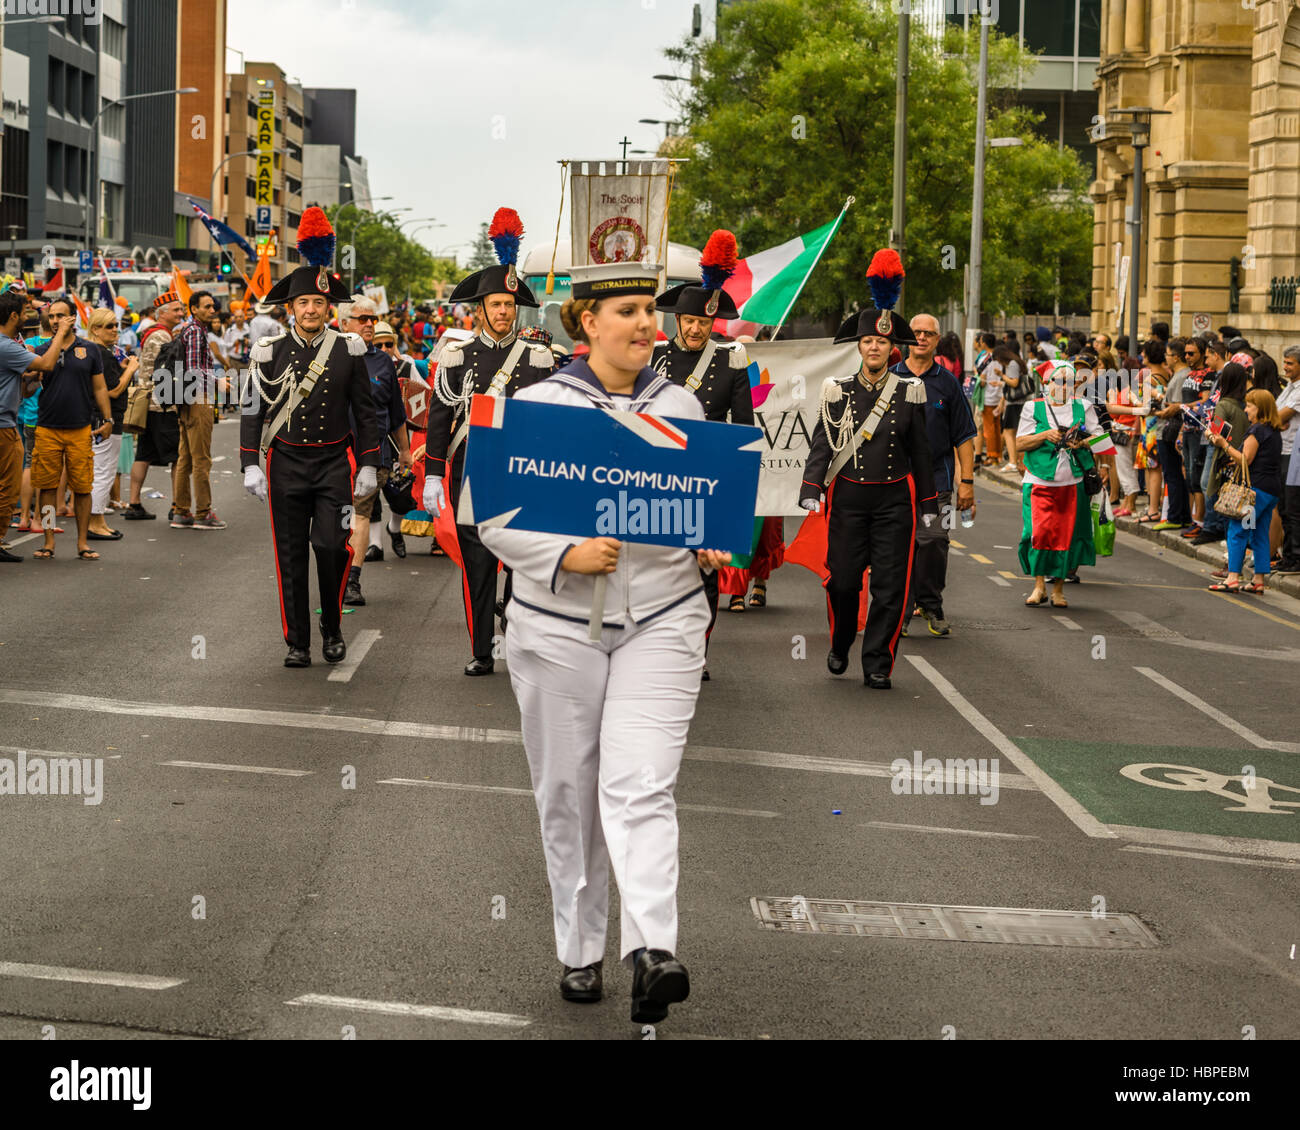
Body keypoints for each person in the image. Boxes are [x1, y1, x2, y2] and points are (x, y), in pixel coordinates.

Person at [476, 261, 727, 1023]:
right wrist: (562, 555)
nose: (648, 324)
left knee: (640, 783)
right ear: (587, 323)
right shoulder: (536, 404)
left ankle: (653, 949)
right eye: (629, 311)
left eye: (650, 309)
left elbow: (703, 503)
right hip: (557, 627)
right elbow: (490, 517)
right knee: (570, 794)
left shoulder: (680, 403)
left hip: (664, 616)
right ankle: (581, 948)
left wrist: (713, 539)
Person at [240, 207, 382, 667]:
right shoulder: (269, 352)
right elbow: (252, 407)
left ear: (328, 308)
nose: (311, 310)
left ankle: (332, 626)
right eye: (303, 303)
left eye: (319, 303)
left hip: (333, 466)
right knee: (290, 555)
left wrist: (368, 463)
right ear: (290, 309)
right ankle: (297, 641)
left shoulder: (348, 349)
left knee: (332, 546)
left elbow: (365, 410)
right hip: (286, 464)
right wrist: (248, 462)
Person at [420, 207, 555, 676]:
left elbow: (550, 421)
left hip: (520, 475)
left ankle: (516, 636)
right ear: (480, 310)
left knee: (521, 563)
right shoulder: (456, 356)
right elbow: (440, 417)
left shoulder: (537, 358)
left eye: (509, 306)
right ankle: (481, 650)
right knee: (477, 564)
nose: (503, 312)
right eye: (495, 305)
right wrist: (434, 474)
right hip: (471, 473)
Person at [798, 250, 937, 690]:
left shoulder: (909, 392)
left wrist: (930, 503)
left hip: (895, 500)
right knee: (842, 582)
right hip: (849, 501)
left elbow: (922, 451)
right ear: (859, 346)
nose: (874, 347)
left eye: (881, 342)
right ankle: (841, 641)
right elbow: (823, 442)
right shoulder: (835, 391)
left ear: (891, 347)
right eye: (867, 342)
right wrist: (811, 486)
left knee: (890, 588)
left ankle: (878, 662)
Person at [652, 230, 754, 655]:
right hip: (658, 476)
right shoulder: (655, 359)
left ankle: (697, 647)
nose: (696, 329)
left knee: (705, 568)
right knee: (661, 565)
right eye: (690, 321)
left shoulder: (731, 359)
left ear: (714, 322)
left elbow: (743, 428)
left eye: (704, 323)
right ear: (678, 321)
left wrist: (736, 487)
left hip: (707, 480)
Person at [892, 311, 976, 639]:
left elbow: (965, 436)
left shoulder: (947, 383)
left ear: (937, 340)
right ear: (907, 338)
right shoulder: (890, 377)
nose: (922, 338)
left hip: (937, 480)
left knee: (934, 541)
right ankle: (898, 608)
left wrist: (966, 482)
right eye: (917, 332)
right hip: (895, 479)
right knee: (898, 546)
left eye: (929, 333)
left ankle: (931, 603)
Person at [28, 297, 113, 561]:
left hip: (80, 428)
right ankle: (49, 541)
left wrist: (108, 420)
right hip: (47, 427)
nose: (54, 321)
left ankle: (82, 543)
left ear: (73, 318)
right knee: (48, 487)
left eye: (60, 316)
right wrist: (29, 380)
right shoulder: (41, 350)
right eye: (51, 316)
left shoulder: (89, 350)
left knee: (83, 487)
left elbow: (99, 388)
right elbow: (29, 388)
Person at [341, 298, 410, 606]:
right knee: (336, 520)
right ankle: (337, 573)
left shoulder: (383, 362)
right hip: (334, 455)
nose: (369, 324)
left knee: (359, 512)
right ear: (344, 324)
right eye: (361, 319)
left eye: (373, 318)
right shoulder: (331, 355)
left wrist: (405, 451)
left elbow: (396, 412)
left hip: (374, 455)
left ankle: (352, 581)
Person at [1016, 360, 1099, 608]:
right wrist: (1044, 435)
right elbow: (1020, 443)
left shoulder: (1083, 406)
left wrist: (1083, 443)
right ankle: (1039, 585)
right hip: (1038, 481)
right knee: (1037, 534)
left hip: (1071, 482)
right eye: (1058, 381)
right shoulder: (1033, 407)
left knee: (1066, 537)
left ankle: (1059, 589)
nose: (1064, 386)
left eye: (1070, 382)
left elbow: (1099, 438)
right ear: (1047, 383)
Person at [1206, 389, 1283, 594]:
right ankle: (1258, 579)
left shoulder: (1257, 430)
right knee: (1259, 533)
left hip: (1254, 492)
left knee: (1238, 530)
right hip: (1270, 490)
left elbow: (1245, 460)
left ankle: (1232, 578)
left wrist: (1223, 444)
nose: (1246, 409)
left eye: (1250, 406)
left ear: (1261, 409)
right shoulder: (1274, 431)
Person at [124, 292, 184, 521]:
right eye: (176, 310)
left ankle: (134, 503)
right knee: (178, 457)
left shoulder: (153, 333)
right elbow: (169, 372)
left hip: (147, 404)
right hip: (162, 405)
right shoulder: (161, 336)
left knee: (144, 454)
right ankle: (178, 504)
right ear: (162, 314)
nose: (180, 313)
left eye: (181, 309)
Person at [0, 290, 50, 562]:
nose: (28, 317)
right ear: (13, 315)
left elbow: (24, 388)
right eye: (24, 311)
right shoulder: (7, 346)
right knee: (8, 486)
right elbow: (48, 362)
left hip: (11, 421)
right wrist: (59, 337)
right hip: (7, 426)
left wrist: (29, 375)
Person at [169, 291, 226, 530]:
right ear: (194, 309)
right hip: (196, 398)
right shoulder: (194, 332)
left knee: (186, 457)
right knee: (201, 458)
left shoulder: (192, 330)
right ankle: (203, 513)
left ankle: (182, 511)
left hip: (186, 399)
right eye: (207, 306)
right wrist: (218, 381)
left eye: (213, 306)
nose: (212, 310)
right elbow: (194, 369)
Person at [85, 308, 137, 541]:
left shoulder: (98, 351)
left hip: (101, 418)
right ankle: (95, 522)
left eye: (116, 325)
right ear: (95, 329)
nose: (115, 330)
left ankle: (99, 521)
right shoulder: (102, 354)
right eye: (109, 326)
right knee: (103, 472)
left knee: (103, 470)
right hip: (105, 419)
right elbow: (113, 390)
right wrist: (131, 370)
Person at [1195, 361, 1250, 546]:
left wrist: (1208, 432)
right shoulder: (1245, 405)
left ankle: (1215, 528)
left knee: (1215, 492)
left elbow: (1215, 432)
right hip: (1240, 455)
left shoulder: (1223, 405)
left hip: (1223, 457)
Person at [1151, 336, 1193, 530]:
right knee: (1175, 474)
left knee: (1173, 474)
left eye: (1167, 355)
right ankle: (1181, 515)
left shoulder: (1182, 375)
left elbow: (1175, 407)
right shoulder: (1180, 375)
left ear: (1175, 357)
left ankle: (1176, 516)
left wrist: (1159, 411)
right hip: (1169, 428)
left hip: (1170, 429)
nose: (1165, 358)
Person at [1274, 346, 1300, 574]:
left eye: (1290, 363)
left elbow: (1277, 416)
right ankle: (1288, 554)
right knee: (1283, 507)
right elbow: (1273, 413)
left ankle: (1295, 557)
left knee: (1292, 508)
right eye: (1285, 362)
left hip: (1293, 454)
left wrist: (1275, 419)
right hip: (1281, 451)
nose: (1285, 367)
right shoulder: (1289, 387)